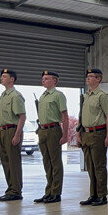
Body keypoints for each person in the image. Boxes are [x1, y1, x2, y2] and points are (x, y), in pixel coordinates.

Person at [78, 68, 108, 207]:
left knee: (99, 166)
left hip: (98, 133)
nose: (88, 78)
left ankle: (102, 195)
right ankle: (93, 194)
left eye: (91, 76)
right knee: (90, 167)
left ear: (99, 79)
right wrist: (78, 132)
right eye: (87, 76)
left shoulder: (102, 95)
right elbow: (82, 116)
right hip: (86, 133)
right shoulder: (86, 96)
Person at [33, 70, 68, 204]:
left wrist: (65, 135)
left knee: (55, 162)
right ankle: (49, 191)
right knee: (47, 162)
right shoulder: (42, 96)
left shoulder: (58, 95)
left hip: (53, 130)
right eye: (43, 78)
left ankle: (56, 192)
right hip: (42, 130)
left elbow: (64, 116)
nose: (43, 80)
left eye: (47, 79)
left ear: (54, 81)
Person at [0, 68, 26, 202]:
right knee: (6, 162)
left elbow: (22, 117)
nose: (2, 78)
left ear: (12, 79)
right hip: (3, 130)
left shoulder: (15, 96)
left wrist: (17, 135)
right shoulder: (3, 95)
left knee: (13, 162)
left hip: (12, 130)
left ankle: (16, 191)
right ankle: (11, 189)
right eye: (1, 76)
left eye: (5, 76)